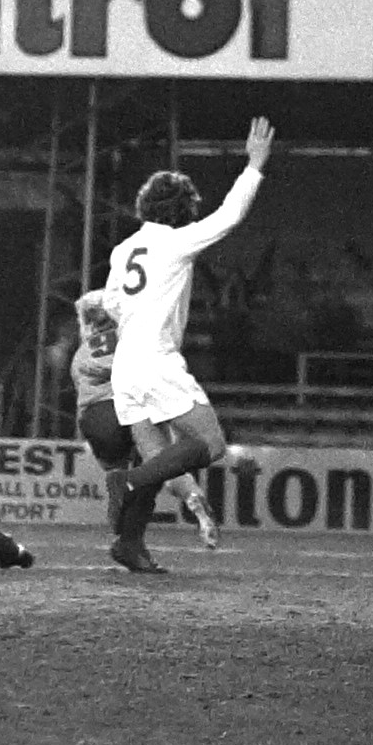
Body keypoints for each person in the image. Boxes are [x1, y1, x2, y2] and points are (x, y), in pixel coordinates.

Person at [97, 117, 275, 573]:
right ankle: (129, 482)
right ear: (183, 210)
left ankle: (130, 544)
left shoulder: (124, 250)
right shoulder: (176, 244)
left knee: (160, 458)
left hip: (125, 365)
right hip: (156, 361)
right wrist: (255, 165)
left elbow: (113, 304)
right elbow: (230, 216)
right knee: (209, 443)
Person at [73, 288, 217, 548]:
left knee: (116, 471)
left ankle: (121, 525)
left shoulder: (82, 353)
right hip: (140, 407)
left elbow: (82, 386)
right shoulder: (138, 341)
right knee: (158, 463)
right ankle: (191, 495)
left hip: (99, 416)